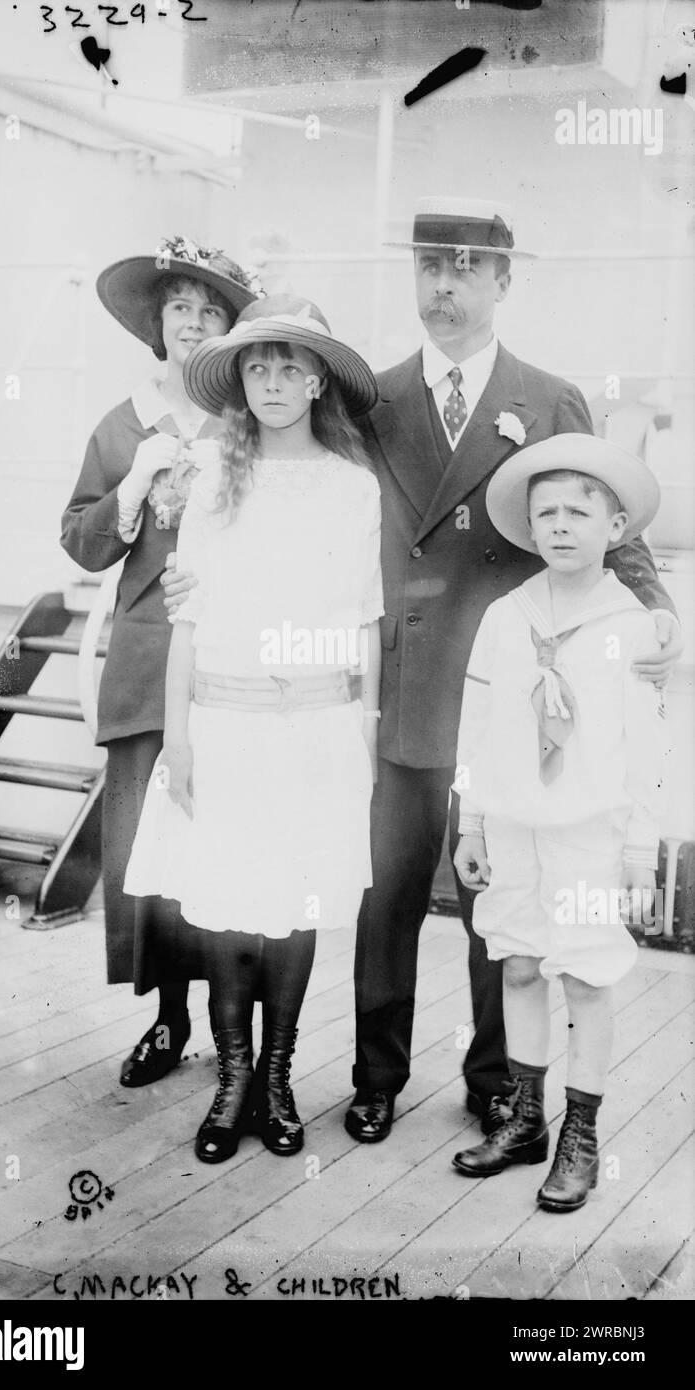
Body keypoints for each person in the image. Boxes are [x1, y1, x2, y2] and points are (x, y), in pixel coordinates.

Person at [341, 195, 681, 1144]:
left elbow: (608, 513)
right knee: (391, 888)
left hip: (519, 686)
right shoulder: (373, 398)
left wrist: (656, 612)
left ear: (502, 280)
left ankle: (499, 1082)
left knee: (508, 889)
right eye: (427, 267)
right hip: (409, 680)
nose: (441, 287)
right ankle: (377, 1076)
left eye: (462, 269)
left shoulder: (547, 396)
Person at [123, 294, 383, 1164]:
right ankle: (232, 1076)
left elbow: (364, 620)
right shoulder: (214, 482)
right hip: (223, 718)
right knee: (229, 903)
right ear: (239, 381)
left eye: (289, 366)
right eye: (258, 367)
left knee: (295, 901)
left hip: (314, 724)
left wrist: (366, 733)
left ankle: (276, 1077)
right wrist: (180, 737)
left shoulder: (352, 487)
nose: (273, 381)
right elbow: (186, 624)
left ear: (317, 381)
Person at [60, 237, 262, 1087]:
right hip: (147, 666)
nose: (193, 323)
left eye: (211, 311)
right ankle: (169, 1020)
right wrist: (134, 484)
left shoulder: (254, 419)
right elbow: (81, 541)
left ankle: (242, 1042)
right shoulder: (123, 424)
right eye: (180, 308)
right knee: (153, 854)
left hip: (236, 663)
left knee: (233, 846)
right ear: (158, 322)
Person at [450, 433, 667, 1212]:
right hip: (513, 820)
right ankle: (527, 1118)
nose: (562, 525)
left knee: (582, 972)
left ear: (614, 528)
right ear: (530, 527)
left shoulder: (634, 626)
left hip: (590, 828)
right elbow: (476, 725)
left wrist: (641, 847)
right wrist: (471, 820)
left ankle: (581, 1131)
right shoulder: (506, 617)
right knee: (516, 963)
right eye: (547, 512)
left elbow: (650, 743)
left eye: (581, 510)